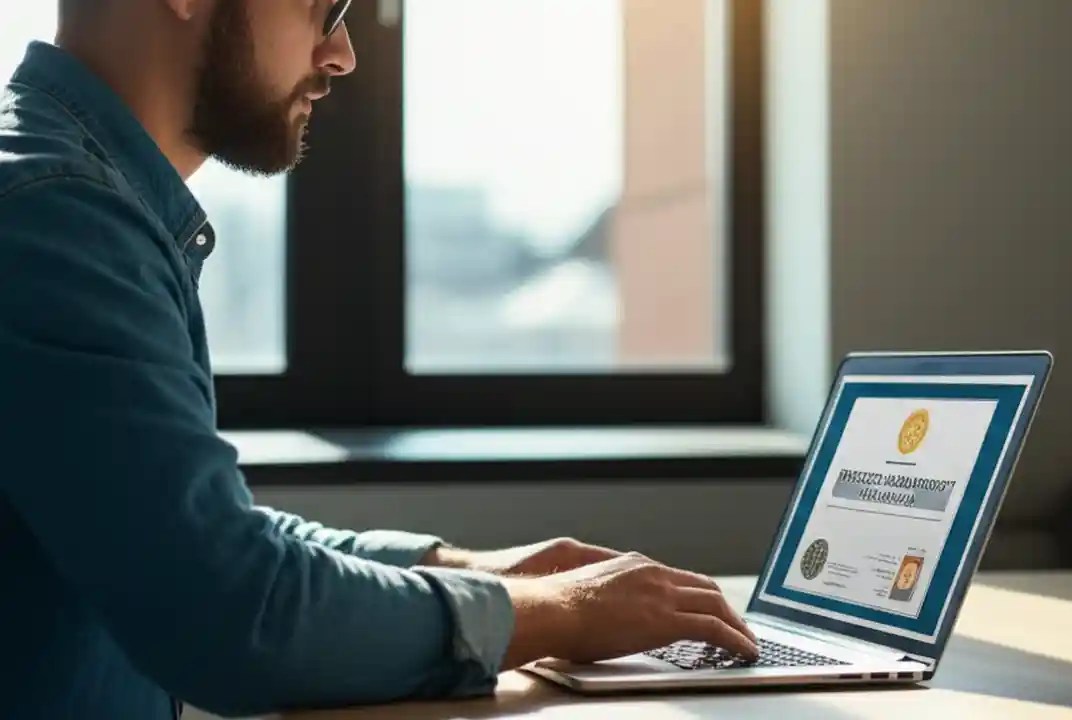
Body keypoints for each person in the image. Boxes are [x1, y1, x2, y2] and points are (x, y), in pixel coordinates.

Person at [0, 1, 757, 718]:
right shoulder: (61, 217)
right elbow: (228, 607)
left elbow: (191, 536)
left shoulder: (70, 198)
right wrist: (561, 614)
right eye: (324, 9)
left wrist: (461, 569)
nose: (342, 54)